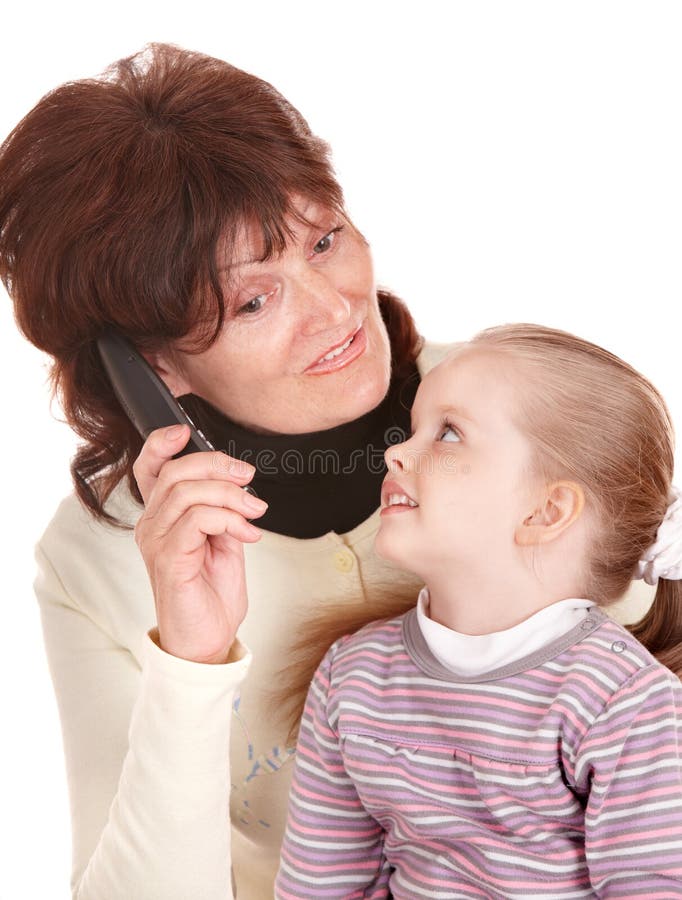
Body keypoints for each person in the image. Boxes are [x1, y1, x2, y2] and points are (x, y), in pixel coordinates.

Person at [0, 45, 654, 899]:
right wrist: (190, 663)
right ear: (152, 369)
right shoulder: (96, 558)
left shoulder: (539, 410)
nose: (333, 307)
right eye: (252, 301)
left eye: (323, 239)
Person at [275, 323, 682, 899]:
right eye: (413, 429)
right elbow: (321, 886)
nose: (395, 451)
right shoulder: (353, 676)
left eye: (447, 434)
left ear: (545, 512)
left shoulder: (622, 704)